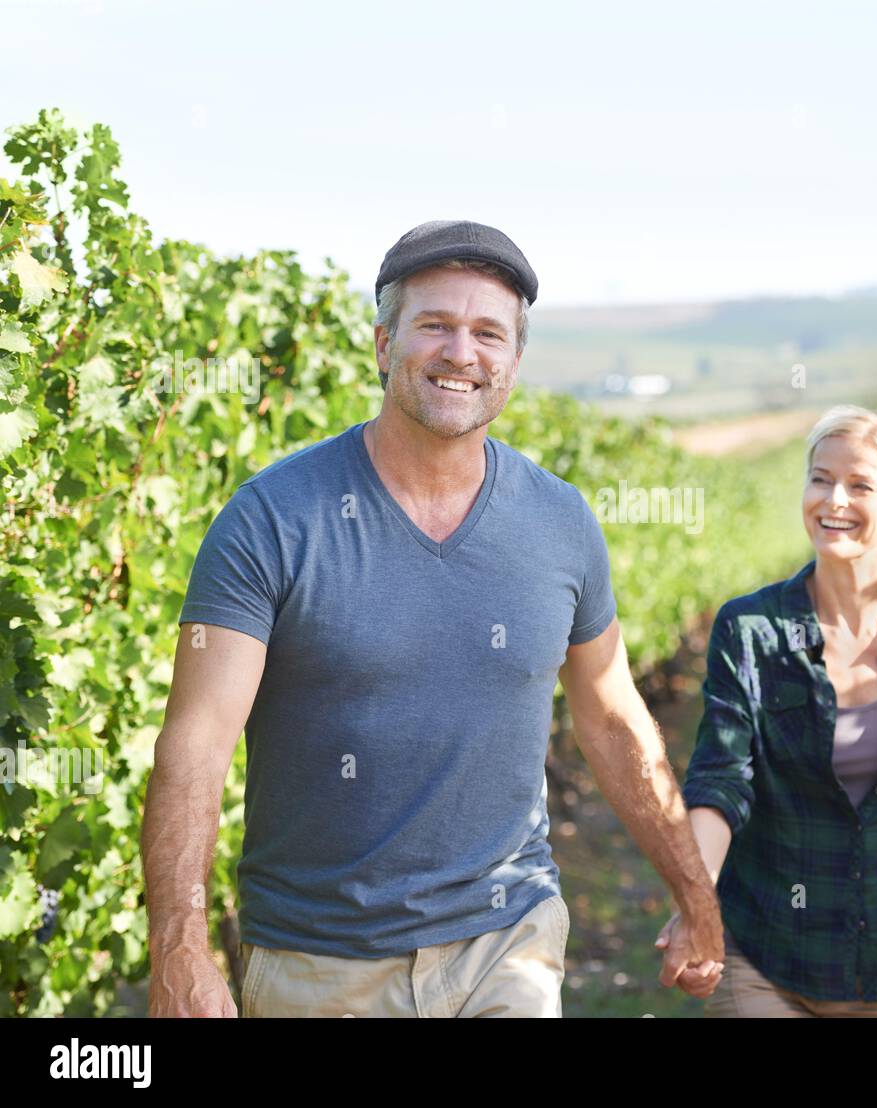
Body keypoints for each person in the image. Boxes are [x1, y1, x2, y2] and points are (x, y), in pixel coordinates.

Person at [143, 220, 724, 1018]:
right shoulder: (273, 520)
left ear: (514, 362)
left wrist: (695, 895)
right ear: (384, 344)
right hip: (319, 964)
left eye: (489, 333)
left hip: (507, 941)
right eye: (435, 326)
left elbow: (614, 717)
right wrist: (179, 948)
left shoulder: (560, 522)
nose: (462, 352)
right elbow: (196, 742)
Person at [656, 405, 877, 1016]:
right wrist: (695, 903)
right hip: (767, 952)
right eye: (821, 478)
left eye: (860, 485)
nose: (834, 500)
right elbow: (721, 781)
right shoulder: (752, 628)